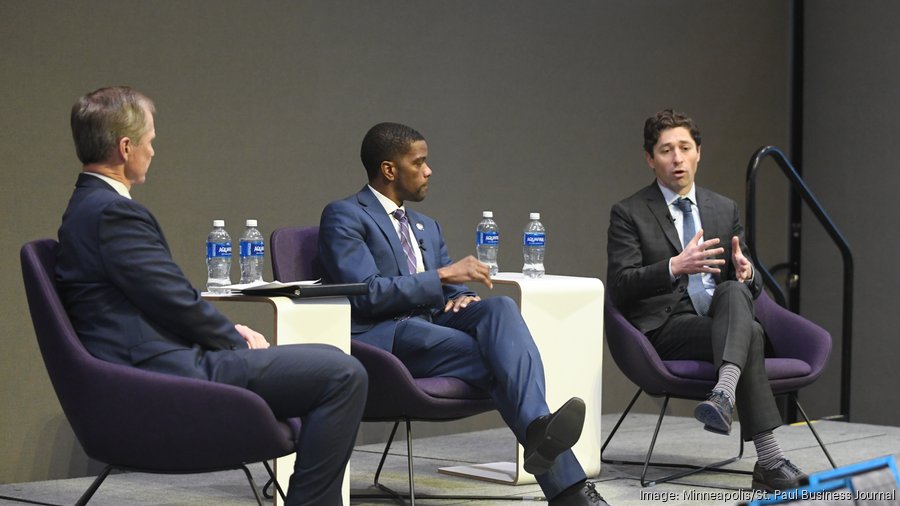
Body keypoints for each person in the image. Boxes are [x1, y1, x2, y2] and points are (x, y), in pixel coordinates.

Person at [56, 86, 367, 506]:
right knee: (342, 373)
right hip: (159, 369)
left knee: (330, 366)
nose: (153, 150)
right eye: (150, 141)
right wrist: (237, 342)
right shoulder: (113, 212)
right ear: (126, 147)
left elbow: (158, 297)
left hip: (150, 359)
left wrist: (228, 332)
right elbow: (174, 301)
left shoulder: (87, 207)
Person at [317, 122, 608, 505]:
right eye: (419, 163)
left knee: (499, 307)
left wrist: (463, 295)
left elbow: (449, 286)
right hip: (387, 336)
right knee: (497, 364)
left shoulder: (426, 225)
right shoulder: (345, 216)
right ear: (389, 170)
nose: (428, 171)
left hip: (432, 323)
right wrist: (441, 275)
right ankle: (566, 483)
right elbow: (367, 294)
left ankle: (540, 427)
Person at [606, 109, 807, 491]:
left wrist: (748, 275)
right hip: (667, 326)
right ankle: (770, 459)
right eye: (666, 150)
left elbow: (746, 278)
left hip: (719, 319)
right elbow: (619, 284)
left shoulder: (722, 208)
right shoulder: (629, 213)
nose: (677, 158)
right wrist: (672, 266)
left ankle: (722, 393)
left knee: (734, 292)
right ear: (651, 159)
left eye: (685, 147)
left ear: (699, 152)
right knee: (750, 333)